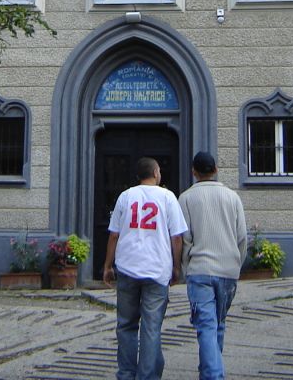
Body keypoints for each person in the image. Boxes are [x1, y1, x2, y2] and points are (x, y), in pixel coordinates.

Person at [103, 156, 188, 380]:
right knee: (151, 328)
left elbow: (114, 235)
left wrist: (107, 266)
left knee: (126, 325)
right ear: (156, 173)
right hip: (157, 270)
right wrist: (176, 267)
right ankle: (148, 376)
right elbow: (177, 237)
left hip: (128, 268)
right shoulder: (168, 197)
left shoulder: (125, 197)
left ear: (138, 176)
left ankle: (126, 374)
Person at [178, 150, 248, 380]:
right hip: (228, 271)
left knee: (206, 326)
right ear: (216, 169)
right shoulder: (232, 197)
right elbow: (242, 237)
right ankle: (209, 372)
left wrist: (185, 268)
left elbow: (185, 239)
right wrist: (236, 264)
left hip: (201, 270)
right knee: (218, 324)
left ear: (193, 172)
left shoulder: (186, 198)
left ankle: (213, 375)